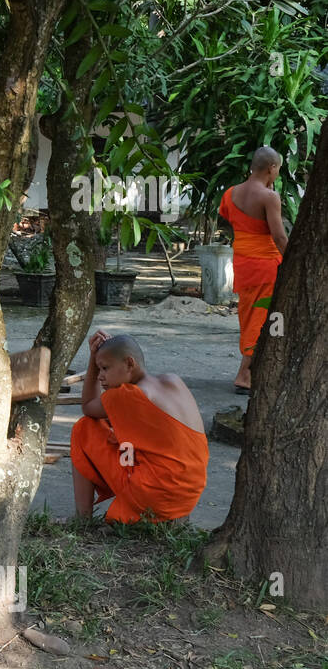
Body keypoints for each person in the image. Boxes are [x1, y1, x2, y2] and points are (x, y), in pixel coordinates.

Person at [70, 331, 208, 524]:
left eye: (105, 368)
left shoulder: (129, 395)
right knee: (117, 436)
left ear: (129, 363)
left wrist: (92, 361)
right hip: (187, 495)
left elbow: (88, 406)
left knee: (83, 429)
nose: (101, 376)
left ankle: (82, 520)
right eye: (99, 369)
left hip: (155, 497)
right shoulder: (173, 381)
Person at [218, 146, 288, 394]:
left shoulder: (231, 193)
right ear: (271, 168)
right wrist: (290, 259)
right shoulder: (269, 197)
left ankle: (255, 368)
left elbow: (228, 217)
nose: (277, 173)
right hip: (266, 263)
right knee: (261, 317)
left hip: (243, 261)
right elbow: (279, 235)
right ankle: (244, 374)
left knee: (251, 314)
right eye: (278, 169)